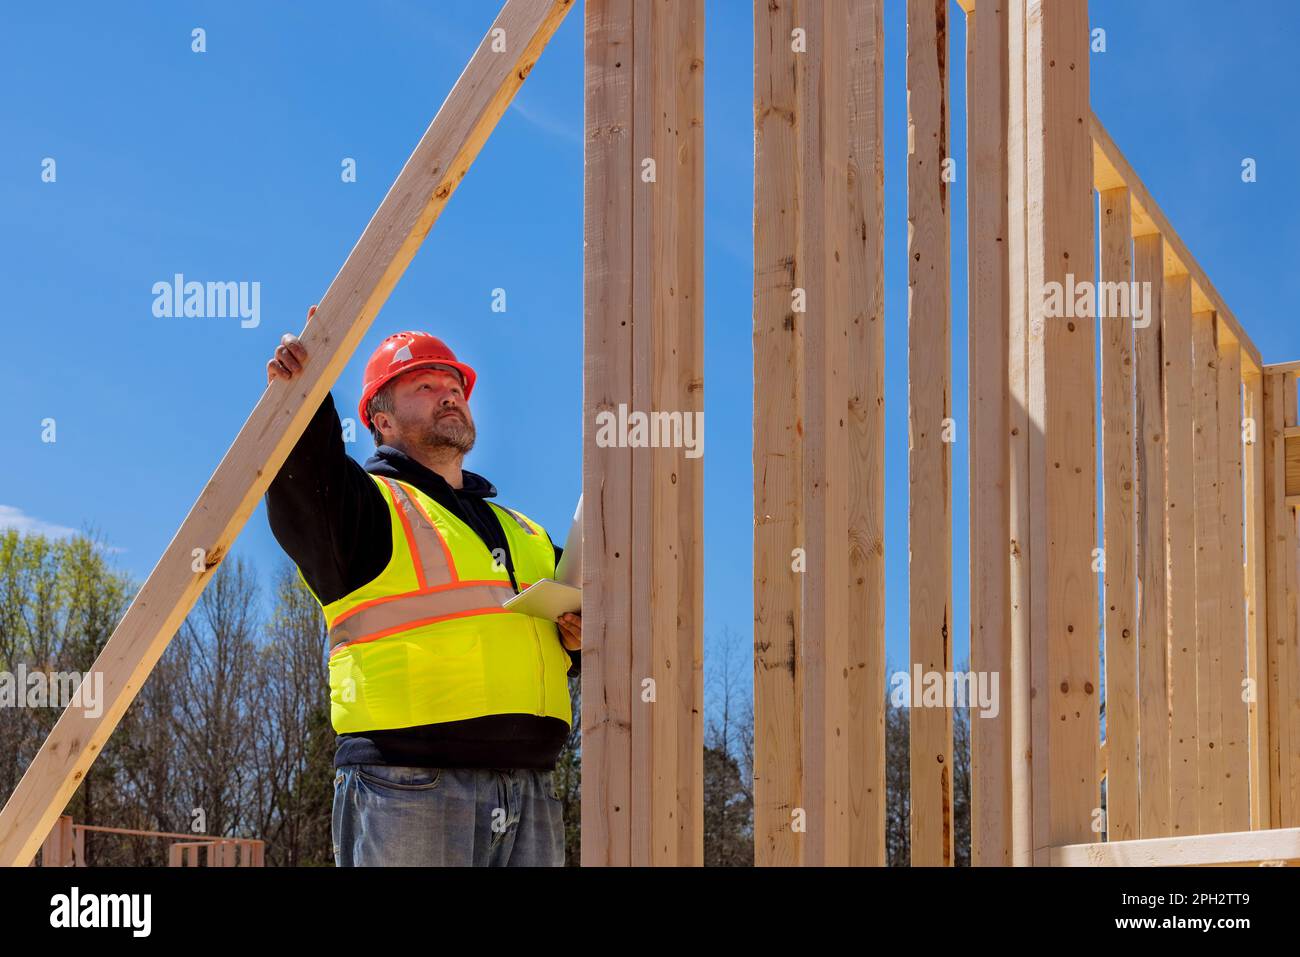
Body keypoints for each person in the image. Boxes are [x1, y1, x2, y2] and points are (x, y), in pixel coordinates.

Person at [264, 305, 580, 866]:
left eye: (455, 384)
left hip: (529, 786)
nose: (449, 393)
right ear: (381, 420)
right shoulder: (364, 510)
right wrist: (303, 391)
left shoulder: (525, 532)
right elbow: (304, 480)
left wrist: (577, 641)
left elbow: (554, 638)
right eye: (425, 384)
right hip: (408, 783)